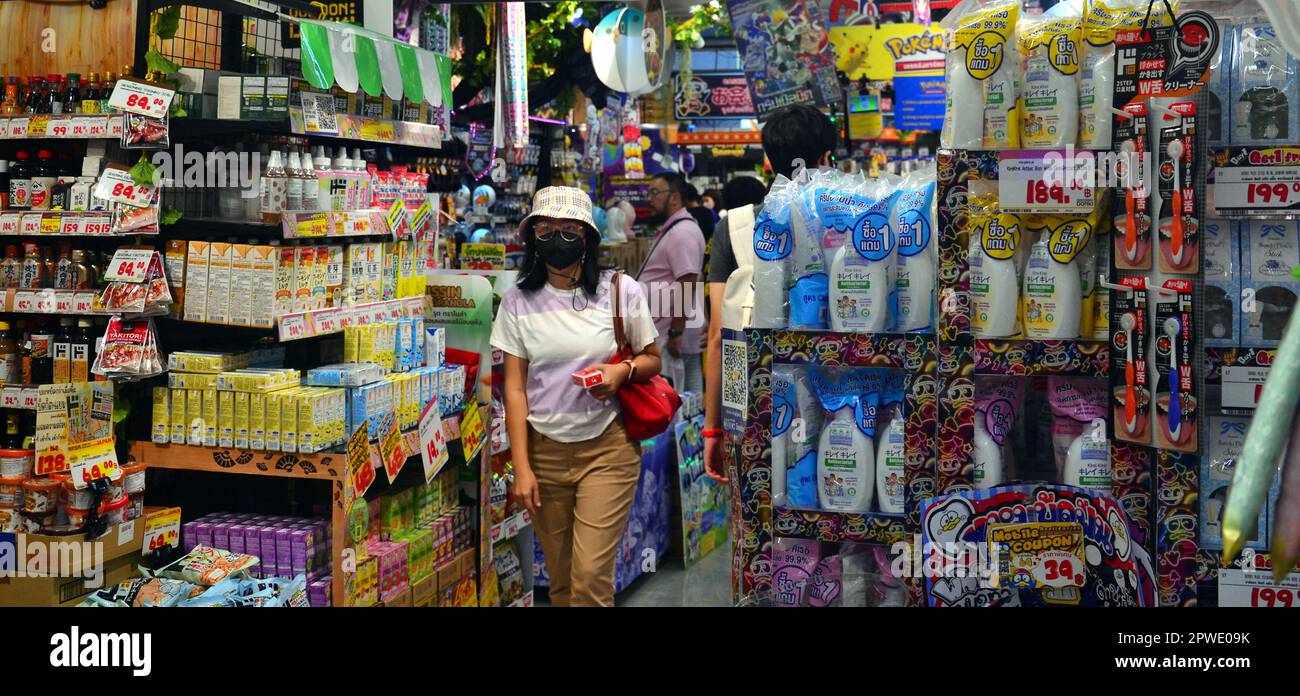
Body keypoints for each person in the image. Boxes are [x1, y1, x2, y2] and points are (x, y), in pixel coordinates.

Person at [491, 186, 662, 607]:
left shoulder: (619, 291)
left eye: (569, 229)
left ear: (587, 237)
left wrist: (621, 372)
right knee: (563, 583)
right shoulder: (516, 302)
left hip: (608, 448)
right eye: (546, 228)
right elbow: (514, 389)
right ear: (532, 236)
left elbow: (652, 359)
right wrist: (522, 467)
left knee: (588, 579)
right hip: (544, 453)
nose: (557, 237)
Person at [703, 105, 837, 482]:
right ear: (827, 158)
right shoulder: (851, 218)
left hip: (756, 401)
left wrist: (714, 427)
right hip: (839, 393)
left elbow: (718, 337)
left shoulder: (734, 226)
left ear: (767, 160)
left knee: (760, 511)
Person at [640, 171, 707, 395]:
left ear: (675, 197)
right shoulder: (676, 230)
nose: (650, 198)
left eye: (655, 192)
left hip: (671, 335)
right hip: (670, 332)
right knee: (686, 399)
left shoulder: (681, 233)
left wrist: (675, 332)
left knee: (676, 400)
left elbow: (687, 281)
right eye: (649, 193)